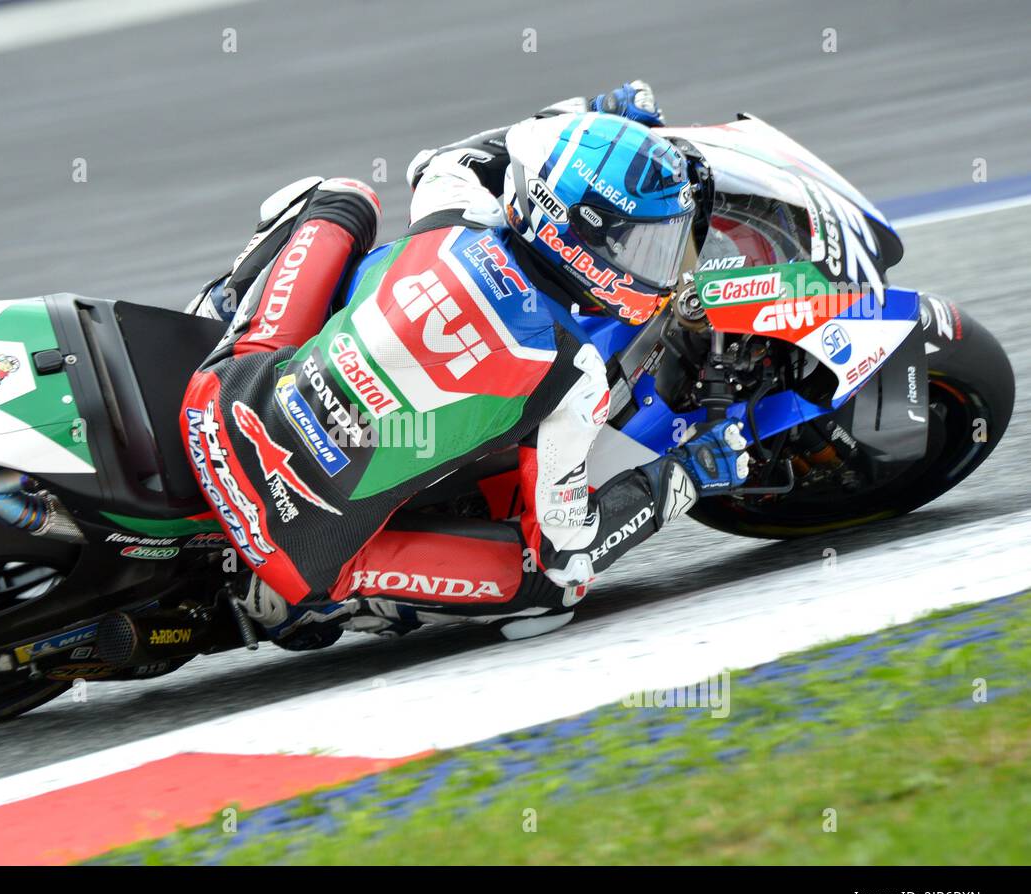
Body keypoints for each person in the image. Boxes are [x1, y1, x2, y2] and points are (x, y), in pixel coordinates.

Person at [179, 82, 749, 646]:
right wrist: (685, 477)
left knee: (340, 197)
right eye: (639, 245)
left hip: (217, 404)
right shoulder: (578, 377)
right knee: (555, 588)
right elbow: (567, 544)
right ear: (581, 236)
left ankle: (231, 305)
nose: (656, 264)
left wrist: (584, 113)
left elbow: (450, 158)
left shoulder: (454, 214)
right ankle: (327, 606)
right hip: (294, 553)